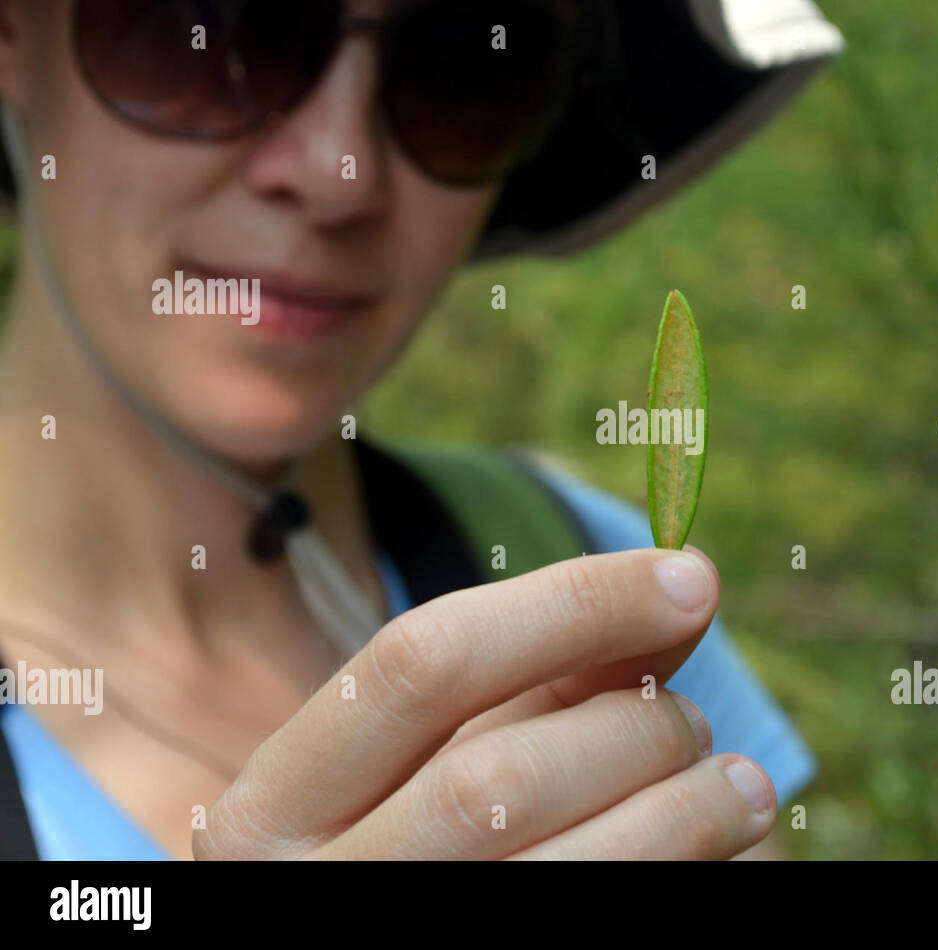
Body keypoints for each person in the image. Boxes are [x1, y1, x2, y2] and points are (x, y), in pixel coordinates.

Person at [0, 0, 843, 860]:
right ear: (13, 33)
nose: (338, 172)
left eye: (464, 68)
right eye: (218, 35)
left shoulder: (590, 579)